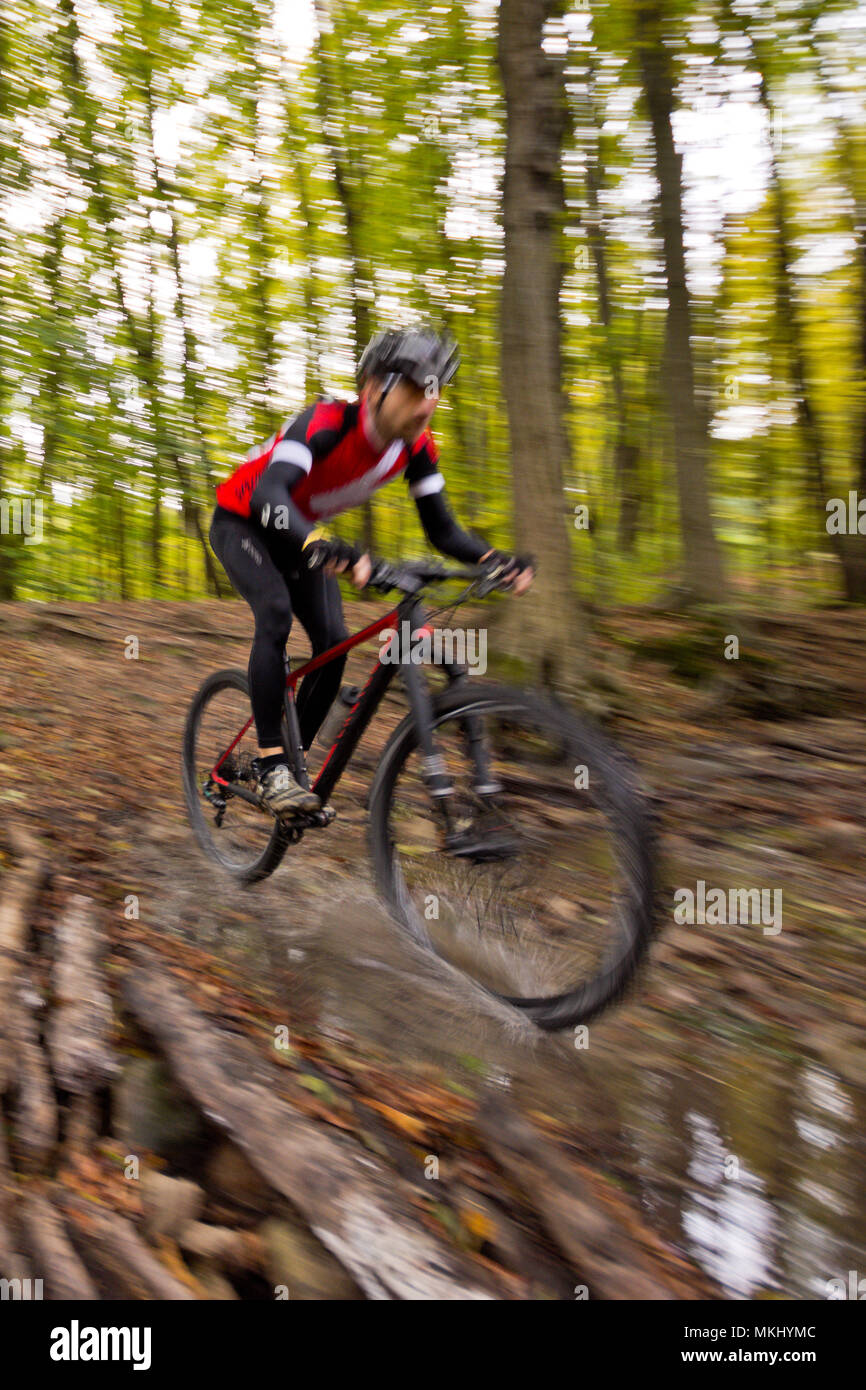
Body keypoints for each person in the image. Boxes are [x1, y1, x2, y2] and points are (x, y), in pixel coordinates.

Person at [209, 325, 534, 818]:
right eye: (415, 388)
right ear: (372, 388)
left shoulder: (416, 447)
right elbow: (269, 495)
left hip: (301, 532)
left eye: (436, 391)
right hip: (244, 521)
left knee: (335, 643)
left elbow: (443, 532)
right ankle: (273, 765)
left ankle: (289, 767)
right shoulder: (323, 423)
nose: (427, 404)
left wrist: (493, 559)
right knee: (274, 614)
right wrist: (319, 542)